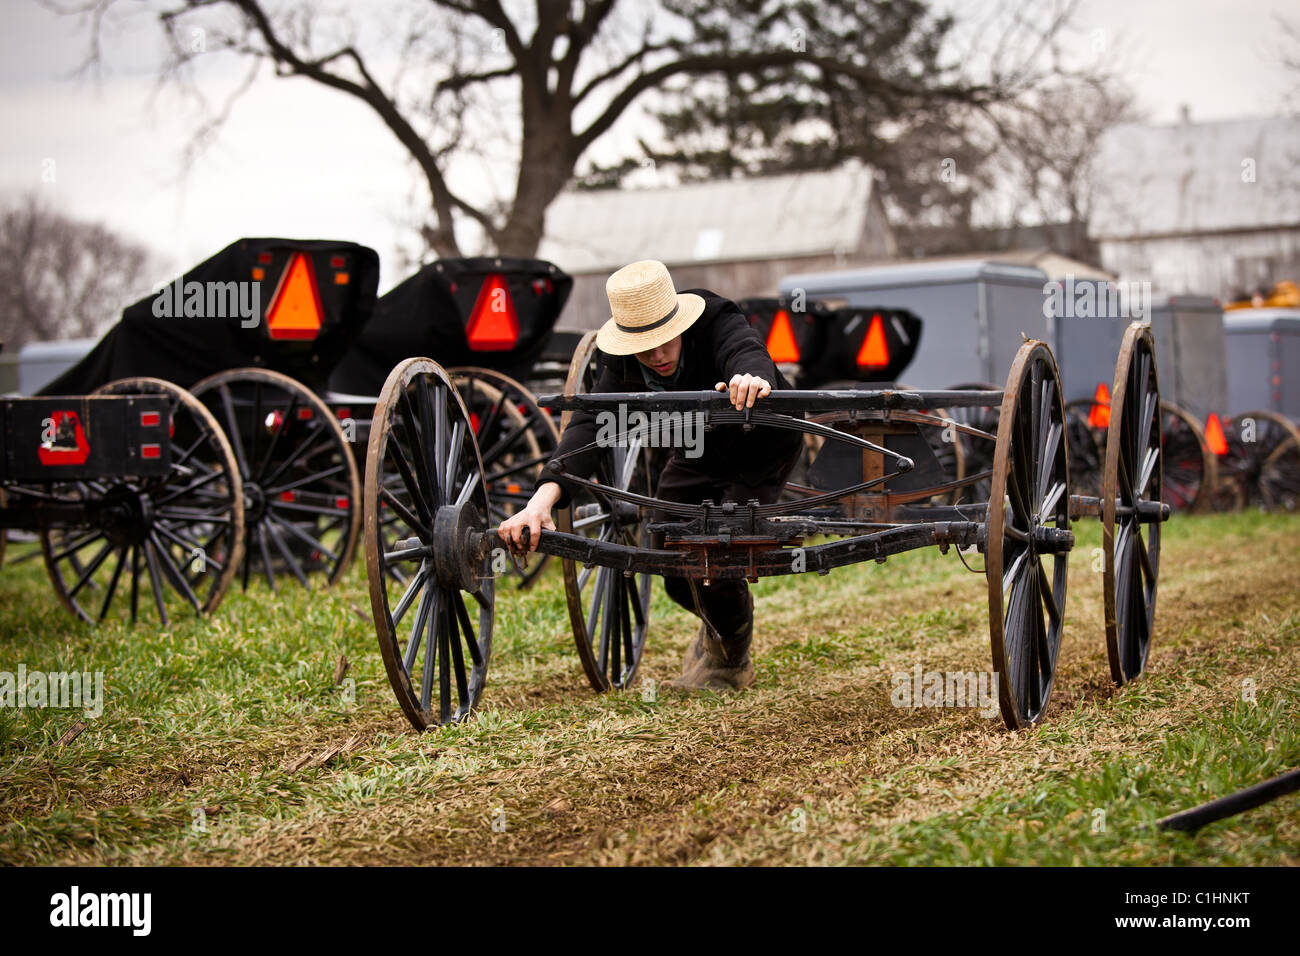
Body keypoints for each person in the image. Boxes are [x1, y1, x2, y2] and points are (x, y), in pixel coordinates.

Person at [498, 259, 803, 691]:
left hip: (761, 445)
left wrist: (750, 377)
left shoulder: (716, 319)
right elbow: (589, 429)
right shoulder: (620, 364)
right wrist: (540, 502)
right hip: (697, 450)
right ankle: (721, 623)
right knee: (667, 559)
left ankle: (731, 663)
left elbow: (745, 349)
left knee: (718, 551)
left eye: (665, 341)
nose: (658, 356)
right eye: (644, 346)